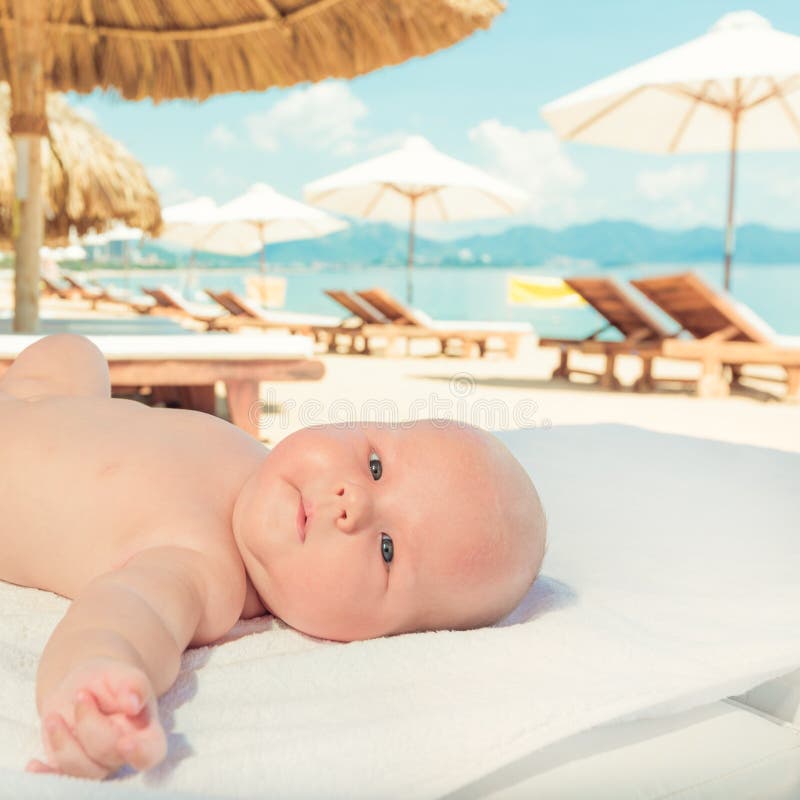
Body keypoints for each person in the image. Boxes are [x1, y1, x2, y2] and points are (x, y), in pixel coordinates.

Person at [0, 334, 547, 780]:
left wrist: (100, 679)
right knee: (73, 351)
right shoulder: (257, 458)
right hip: (34, 397)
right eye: (375, 465)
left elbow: (124, 614)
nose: (350, 500)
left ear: (371, 636)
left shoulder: (206, 574)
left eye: (387, 550)